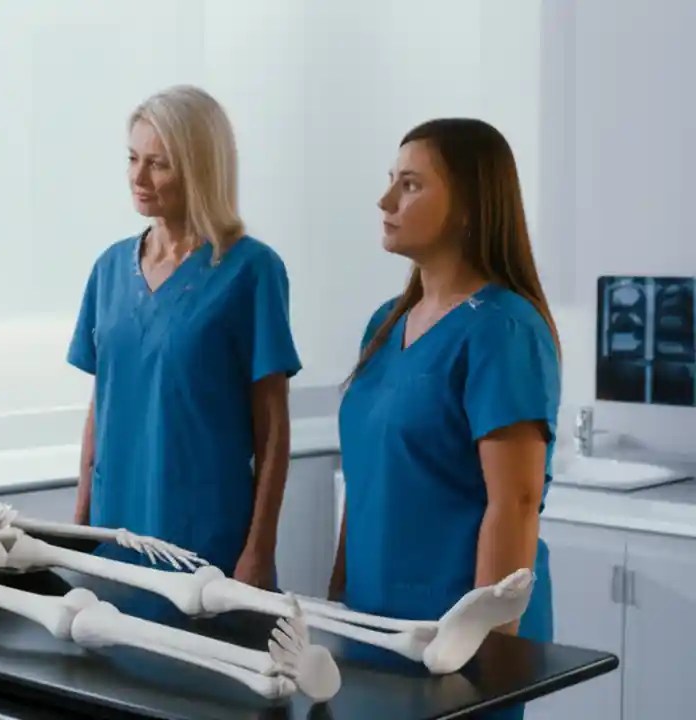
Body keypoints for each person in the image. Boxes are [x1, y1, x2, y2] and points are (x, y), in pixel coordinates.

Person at [330, 118, 559, 716]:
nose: (386, 201)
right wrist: (338, 599)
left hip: (458, 639)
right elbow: (366, 476)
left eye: (410, 185)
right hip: (373, 621)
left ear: (468, 208)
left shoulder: (501, 329)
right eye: (391, 182)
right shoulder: (385, 323)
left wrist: (487, 651)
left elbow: (515, 502)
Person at [66, 85, 301, 589]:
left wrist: (259, 549)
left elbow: (274, 433)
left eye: (159, 163)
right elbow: (100, 407)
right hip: (116, 532)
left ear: (199, 167)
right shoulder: (109, 269)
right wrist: (79, 523)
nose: (138, 177)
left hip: (206, 537)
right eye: (133, 158)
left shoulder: (252, 271)